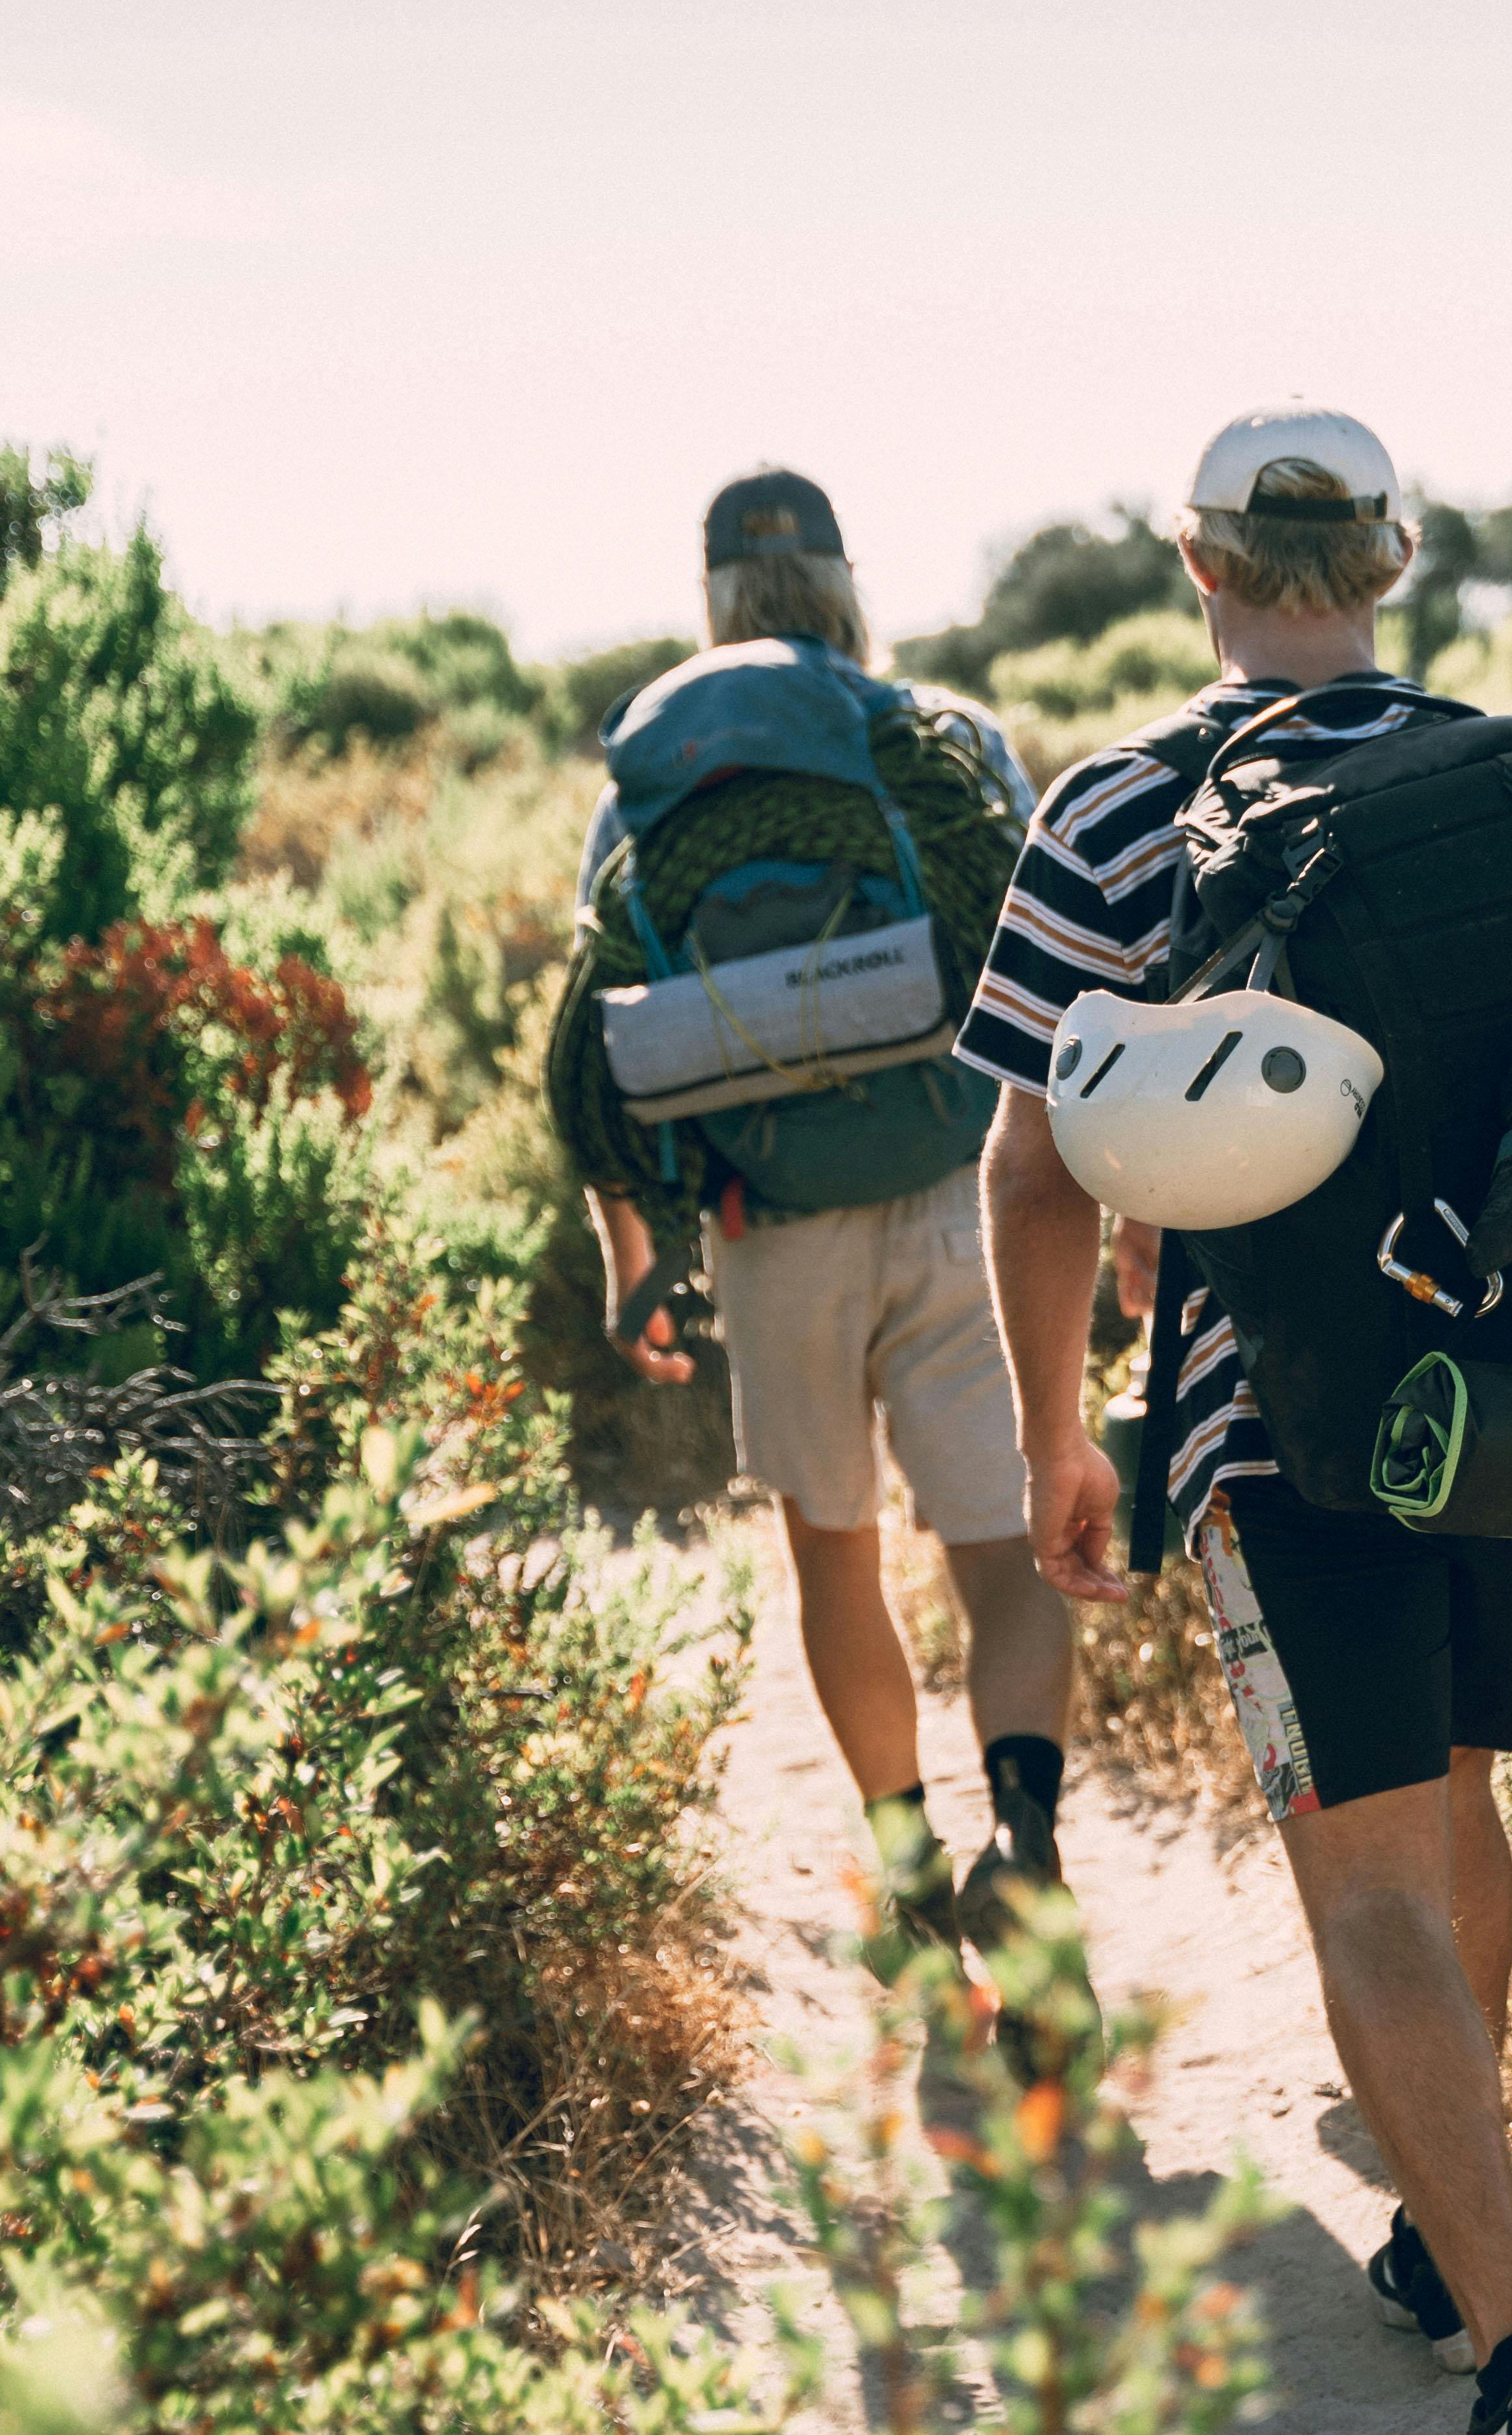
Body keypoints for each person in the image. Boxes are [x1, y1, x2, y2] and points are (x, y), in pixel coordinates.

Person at [968, 404, 1512, 2435]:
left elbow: (1033, 1173)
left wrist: (1056, 1439)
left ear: (1196, 567)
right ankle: (1451, 2245)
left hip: (1279, 1423)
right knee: (1460, 1810)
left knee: (1361, 1871)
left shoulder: (1115, 809)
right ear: (1394, 561)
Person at [566, 467, 1075, 1969]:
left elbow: (605, 1030)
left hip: (766, 1220)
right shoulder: (945, 739)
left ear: (715, 606)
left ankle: (912, 1883)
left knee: (834, 1562)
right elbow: (1049, 972)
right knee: (1004, 1555)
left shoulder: (647, 785)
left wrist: (631, 1262)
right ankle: (1029, 1841)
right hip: (957, 1196)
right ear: (848, 583)